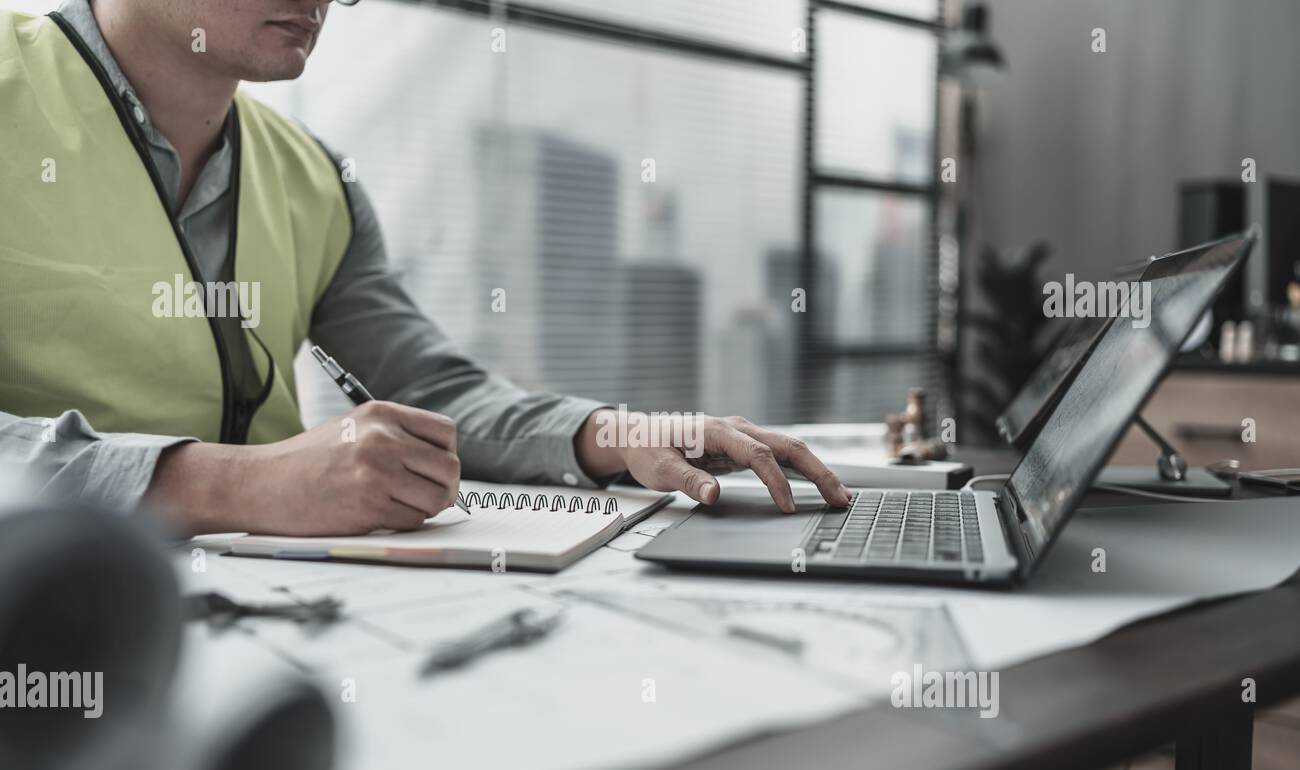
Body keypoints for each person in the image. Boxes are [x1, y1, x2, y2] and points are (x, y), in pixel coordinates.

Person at [0, 0, 849, 536]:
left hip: (268, 624)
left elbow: (432, 393)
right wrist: (236, 485)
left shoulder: (318, 179)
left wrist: (615, 436)